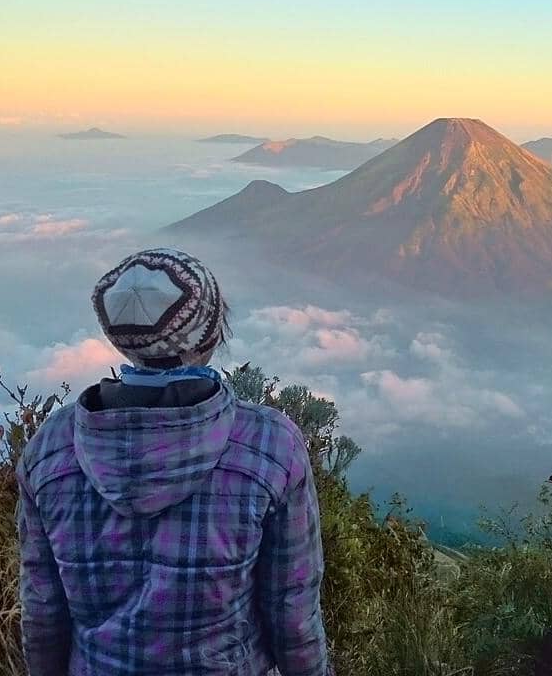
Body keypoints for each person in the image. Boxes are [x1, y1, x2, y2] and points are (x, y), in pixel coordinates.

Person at [16, 248, 328, 676]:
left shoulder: (50, 450)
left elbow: (43, 617)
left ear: (119, 338)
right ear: (210, 336)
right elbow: (294, 618)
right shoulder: (269, 448)